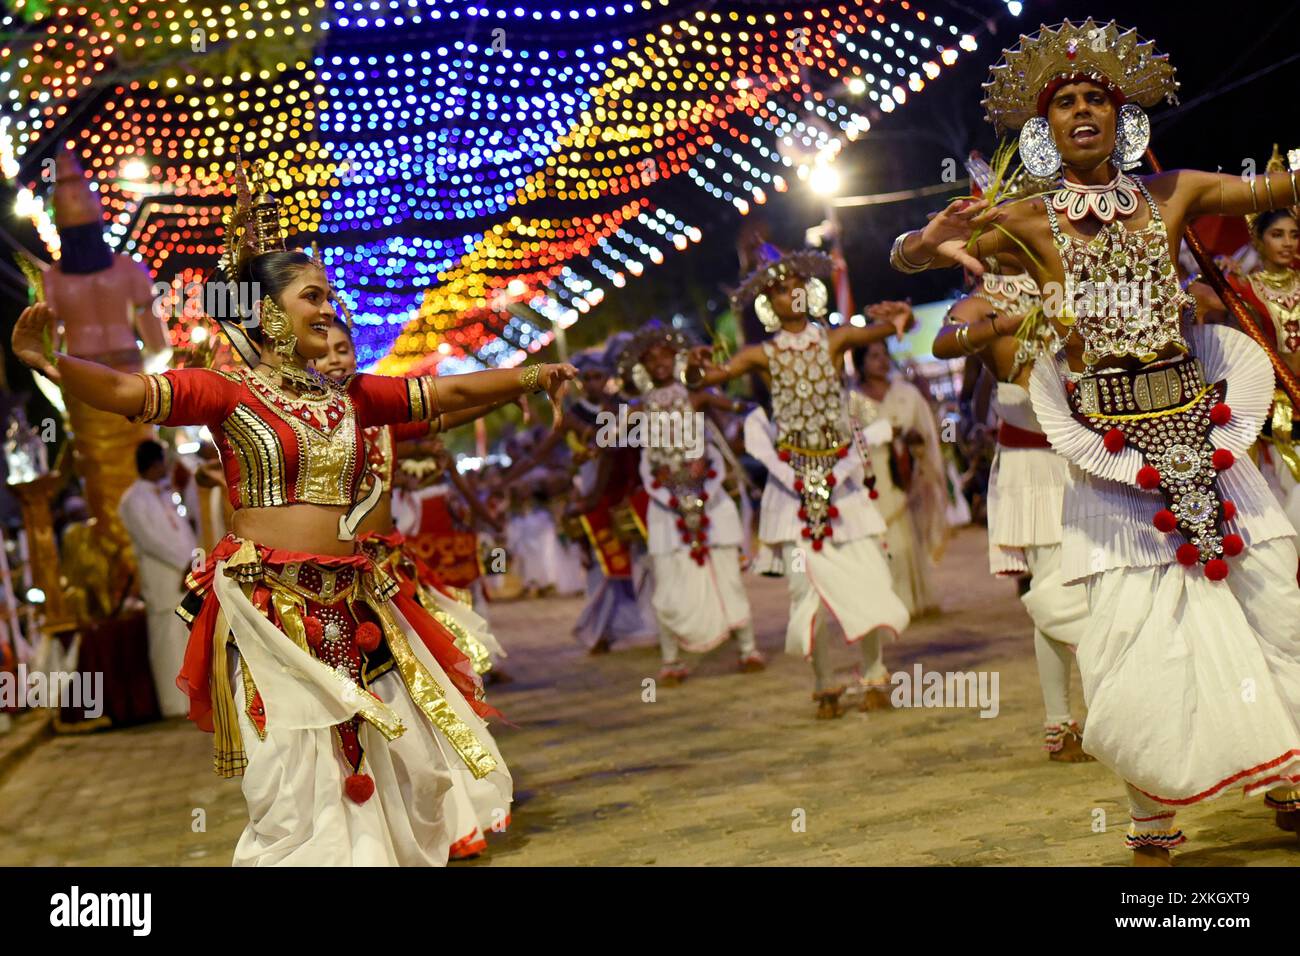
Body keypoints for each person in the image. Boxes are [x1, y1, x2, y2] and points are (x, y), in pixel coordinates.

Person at [10, 157, 578, 866]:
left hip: (351, 592)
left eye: (327, 295)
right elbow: (127, 395)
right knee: (292, 748)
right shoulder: (228, 392)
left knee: (377, 734)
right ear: (270, 312)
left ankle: (372, 853)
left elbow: (450, 399)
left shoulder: (351, 395)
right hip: (269, 603)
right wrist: (49, 361)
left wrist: (534, 374)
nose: (325, 307)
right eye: (312, 295)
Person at [891, 18, 1300, 863]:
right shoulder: (1028, 220)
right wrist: (926, 243)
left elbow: (1266, 192)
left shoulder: (1172, 192)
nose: (1084, 111)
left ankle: (1288, 774)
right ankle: (1153, 810)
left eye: (1098, 100)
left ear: (1124, 121)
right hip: (1111, 450)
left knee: (1272, 602)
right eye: (1066, 102)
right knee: (1131, 631)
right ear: (1045, 131)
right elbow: (912, 260)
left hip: (1204, 429)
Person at [316, 318, 515, 859]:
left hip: (389, 575)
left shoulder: (378, 414)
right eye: (324, 349)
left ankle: (450, 818)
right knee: (363, 711)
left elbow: (446, 408)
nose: (335, 358)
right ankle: (374, 833)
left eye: (344, 348)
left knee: (427, 696)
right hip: (331, 584)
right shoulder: (299, 423)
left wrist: (515, 388)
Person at [689, 239, 912, 718]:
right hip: (790, 485)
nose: (790, 296)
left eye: (797, 288)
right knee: (803, 589)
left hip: (844, 478)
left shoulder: (834, 340)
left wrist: (899, 316)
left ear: (808, 293)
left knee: (867, 574)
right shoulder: (760, 354)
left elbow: (892, 329)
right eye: (779, 292)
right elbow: (706, 380)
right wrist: (696, 368)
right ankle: (824, 683)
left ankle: (874, 674)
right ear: (768, 305)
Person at [932, 255, 1093, 761]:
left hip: (1088, 460)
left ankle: (1091, 713)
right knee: (1051, 589)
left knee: (1097, 582)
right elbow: (944, 344)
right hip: (1033, 470)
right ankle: (1064, 721)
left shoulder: (1063, 282)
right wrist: (1005, 322)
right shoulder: (978, 307)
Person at [616, 325, 764, 683]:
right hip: (663, 501)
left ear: (677, 358)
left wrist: (745, 404)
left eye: (665, 355)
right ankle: (671, 659)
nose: (659, 363)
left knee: (727, 574)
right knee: (668, 580)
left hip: (709, 497)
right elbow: (609, 436)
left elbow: (745, 410)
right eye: (650, 359)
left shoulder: (699, 396)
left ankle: (748, 648)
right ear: (642, 369)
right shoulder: (637, 410)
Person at [849, 341, 947, 618]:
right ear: (860, 362)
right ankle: (888, 605)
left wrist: (913, 441)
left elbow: (925, 431)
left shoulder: (906, 394)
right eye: (873, 356)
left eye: (884, 355)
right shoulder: (852, 400)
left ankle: (914, 600)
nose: (881, 361)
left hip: (904, 477)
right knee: (881, 541)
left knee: (906, 539)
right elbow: (848, 444)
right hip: (869, 480)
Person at [118, 439, 197, 718]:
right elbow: (151, 541)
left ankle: (191, 702)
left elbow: (182, 532)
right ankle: (174, 705)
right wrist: (183, 563)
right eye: (163, 460)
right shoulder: (132, 501)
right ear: (154, 464)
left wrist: (194, 562)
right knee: (168, 643)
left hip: (184, 575)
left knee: (185, 640)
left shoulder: (164, 494)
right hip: (164, 580)